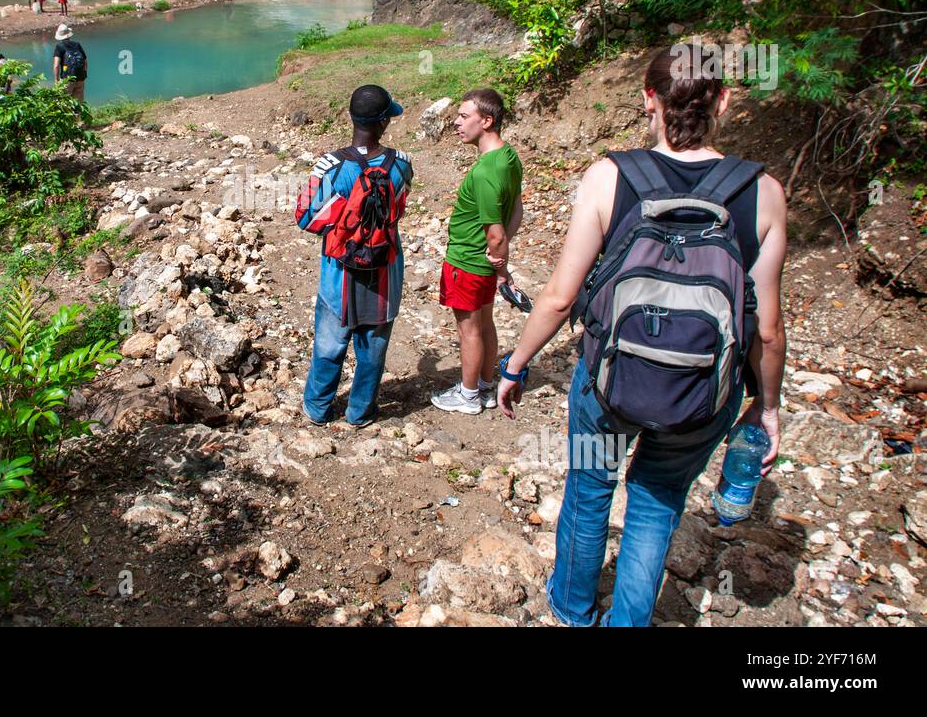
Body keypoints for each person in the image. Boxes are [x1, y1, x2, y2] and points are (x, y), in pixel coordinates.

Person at [494, 44, 787, 628]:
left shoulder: (610, 177)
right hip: (703, 393)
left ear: (646, 99)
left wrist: (516, 364)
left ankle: (573, 611)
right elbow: (769, 328)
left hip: (608, 381)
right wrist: (769, 408)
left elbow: (558, 296)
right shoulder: (763, 193)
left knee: (588, 491)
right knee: (656, 506)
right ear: (725, 100)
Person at [294, 85, 413, 427]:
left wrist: (344, 219)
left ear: (352, 117)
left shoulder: (329, 166)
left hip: (339, 274)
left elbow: (306, 218)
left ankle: (317, 408)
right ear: (384, 123)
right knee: (373, 349)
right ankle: (360, 412)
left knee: (329, 345)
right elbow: (398, 209)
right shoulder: (401, 165)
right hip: (384, 274)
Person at [430, 89, 525, 415]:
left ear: (486, 121)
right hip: (481, 261)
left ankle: (468, 395)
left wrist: (500, 265)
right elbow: (517, 210)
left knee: (468, 331)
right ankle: (485, 385)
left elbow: (496, 233)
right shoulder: (508, 157)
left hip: (467, 262)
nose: (456, 122)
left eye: (464, 116)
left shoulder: (485, 172)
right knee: (486, 323)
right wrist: (498, 258)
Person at [53, 24, 87, 101]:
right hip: (80, 78)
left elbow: (56, 65)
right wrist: (84, 74)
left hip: (67, 79)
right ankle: (78, 113)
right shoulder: (77, 45)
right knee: (78, 105)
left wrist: (56, 80)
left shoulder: (59, 46)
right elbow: (85, 61)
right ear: (69, 34)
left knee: (64, 103)